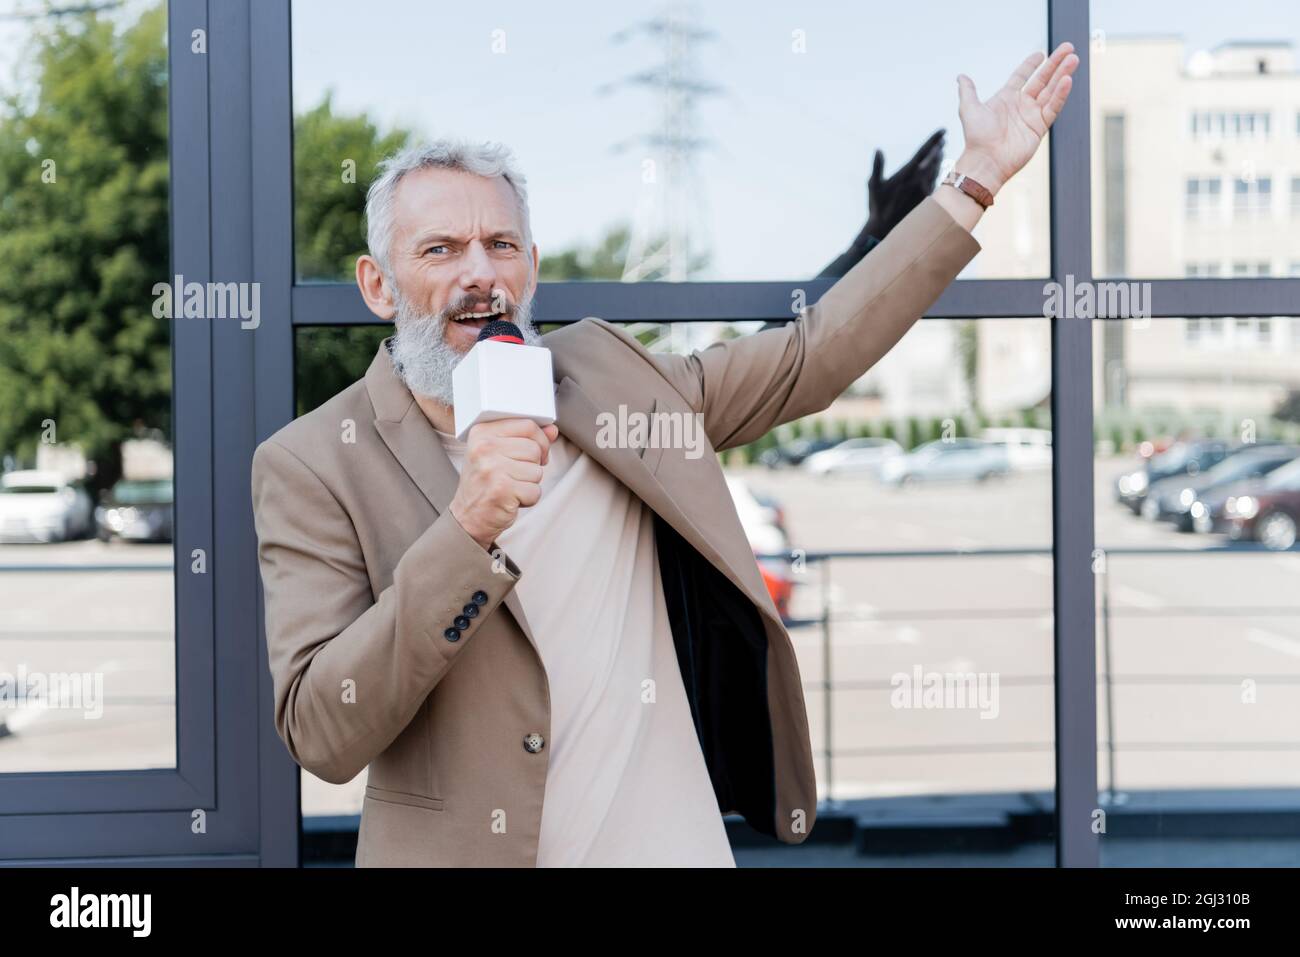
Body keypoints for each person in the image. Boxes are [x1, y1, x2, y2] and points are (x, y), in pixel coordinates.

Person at [251, 43, 1077, 867]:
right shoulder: (314, 461)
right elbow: (323, 729)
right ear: (377, 286)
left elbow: (807, 356)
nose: (481, 276)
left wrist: (974, 181)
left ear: (532, 268)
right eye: (440, 251)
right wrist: (467, 529)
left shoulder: (605, 375)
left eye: (502, 246)